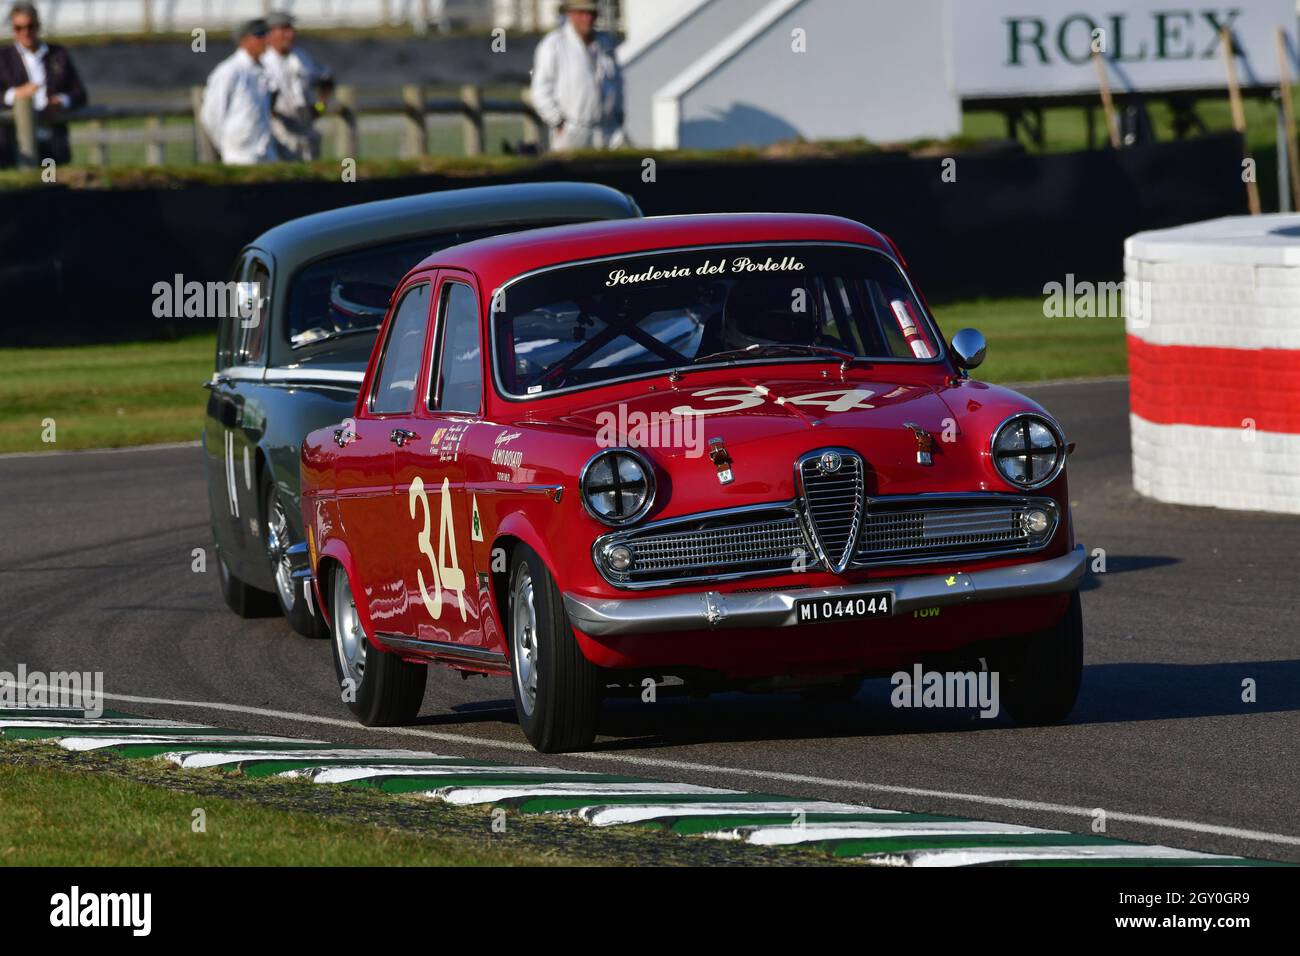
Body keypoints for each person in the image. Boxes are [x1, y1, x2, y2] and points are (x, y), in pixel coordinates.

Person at [530, 0, 625, 151]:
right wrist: (558, 122)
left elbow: (618, 83)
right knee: (572, 173)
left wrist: (618, 115)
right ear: (570, 14)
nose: (587, 18)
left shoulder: (606, 43)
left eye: (591, 13)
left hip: (607, 129)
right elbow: (540, 91)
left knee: (611, 172)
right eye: (582, 13)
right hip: (572, 130)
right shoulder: (554, 44)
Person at [0, 2, 87, 166]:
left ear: (38, 26)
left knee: (51, 184)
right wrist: (15, 95)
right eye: (19, 28)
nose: (25, 32)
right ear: (13, 29)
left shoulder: (58, 55)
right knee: (25, 188)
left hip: (51, 143)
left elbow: (79, 93)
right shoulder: (3, 58)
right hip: (14, 146)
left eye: (30, 26)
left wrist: (61, 101)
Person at [199, 19, 276, 165]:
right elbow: (211, 114)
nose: (266, 40)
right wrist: (227, 144)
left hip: (265, 152)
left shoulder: (263, 70)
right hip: (240, 155)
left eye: (267, 34)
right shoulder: (230, 71)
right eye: (260, 35)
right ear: (245, 40)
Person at [261, 10, 332, 161]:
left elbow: (326, 80)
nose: (290, 35)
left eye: (291, 29)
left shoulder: (301, 57)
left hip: (305, 129)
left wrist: (319, 108)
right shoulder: (263, 61)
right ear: (270, 33)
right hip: (278, 131)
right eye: (284, 30)